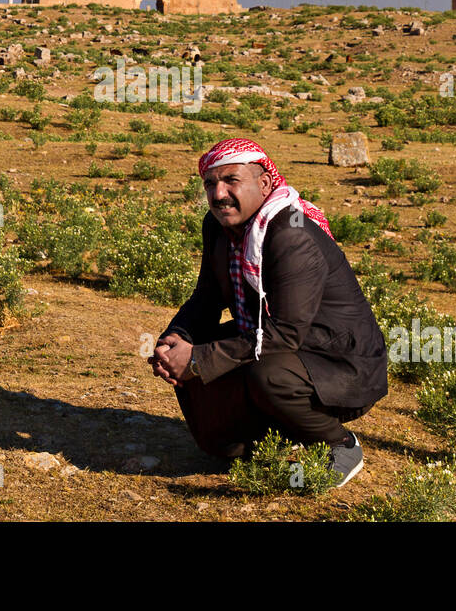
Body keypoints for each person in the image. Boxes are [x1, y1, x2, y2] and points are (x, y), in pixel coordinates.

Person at [149, 137, 388, 488]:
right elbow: (207, 298)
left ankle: (339, 443)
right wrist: (178, 338)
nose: (218, 195)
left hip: (341, 360)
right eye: (210, 184)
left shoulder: (289, 235)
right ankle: (258, 441)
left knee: (265, 372)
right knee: (216, 438)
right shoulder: (217, 227)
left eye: (231, 180)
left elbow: (287, 332)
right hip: (280, 342)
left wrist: (198, 359)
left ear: (263, 184)